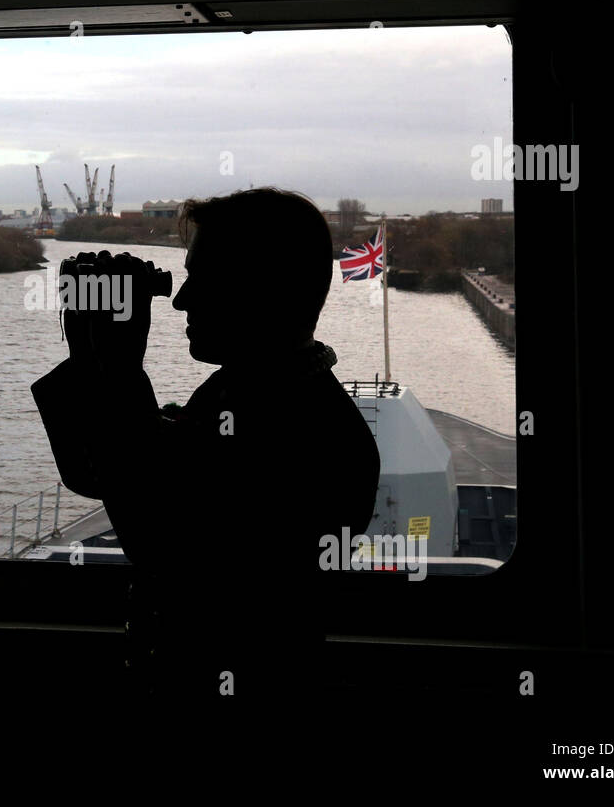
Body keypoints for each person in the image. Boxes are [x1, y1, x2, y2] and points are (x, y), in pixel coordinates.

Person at [31, 188, 379, 720]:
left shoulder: (295, 427)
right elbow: (97, 474)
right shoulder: (247, 395)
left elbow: (157, 540)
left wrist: (117, 368)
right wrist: (92, 356)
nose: (180, 299)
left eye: (202, 277)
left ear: (261, 290)